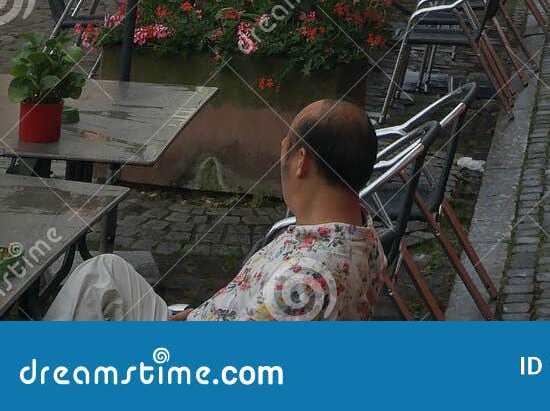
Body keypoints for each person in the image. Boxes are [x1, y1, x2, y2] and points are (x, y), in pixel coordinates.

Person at [45, 99, 386, 322]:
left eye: (286, 146)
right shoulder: (362, 234)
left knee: (93, 284)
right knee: (105, 271)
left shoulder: (301, 282)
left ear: (301, 162)